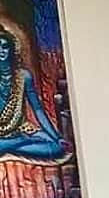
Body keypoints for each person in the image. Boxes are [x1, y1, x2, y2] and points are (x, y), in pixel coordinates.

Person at [0, 25, 65, 160]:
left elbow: (38, 110)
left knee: (56, 148)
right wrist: (24, 140)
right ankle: (18, 143)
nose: (1, 51)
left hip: (18, 131)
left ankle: (11, 145)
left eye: (5, 46)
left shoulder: (23, 76)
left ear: (12, 49)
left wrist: (56, 137)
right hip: (8, 137)